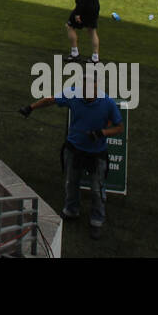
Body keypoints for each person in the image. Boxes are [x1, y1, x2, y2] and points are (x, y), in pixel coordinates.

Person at [18, 70, 124, 240]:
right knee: (71, 182)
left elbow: (119, 128)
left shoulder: (108, 103)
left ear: (98, 87)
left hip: (97, 153)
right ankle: (71, 210)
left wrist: (102, 133)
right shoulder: (73, 93)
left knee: (97, 189)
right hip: (74, 148)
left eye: (92, 87)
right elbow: (51, 100)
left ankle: (97, 220)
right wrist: (30, 108)